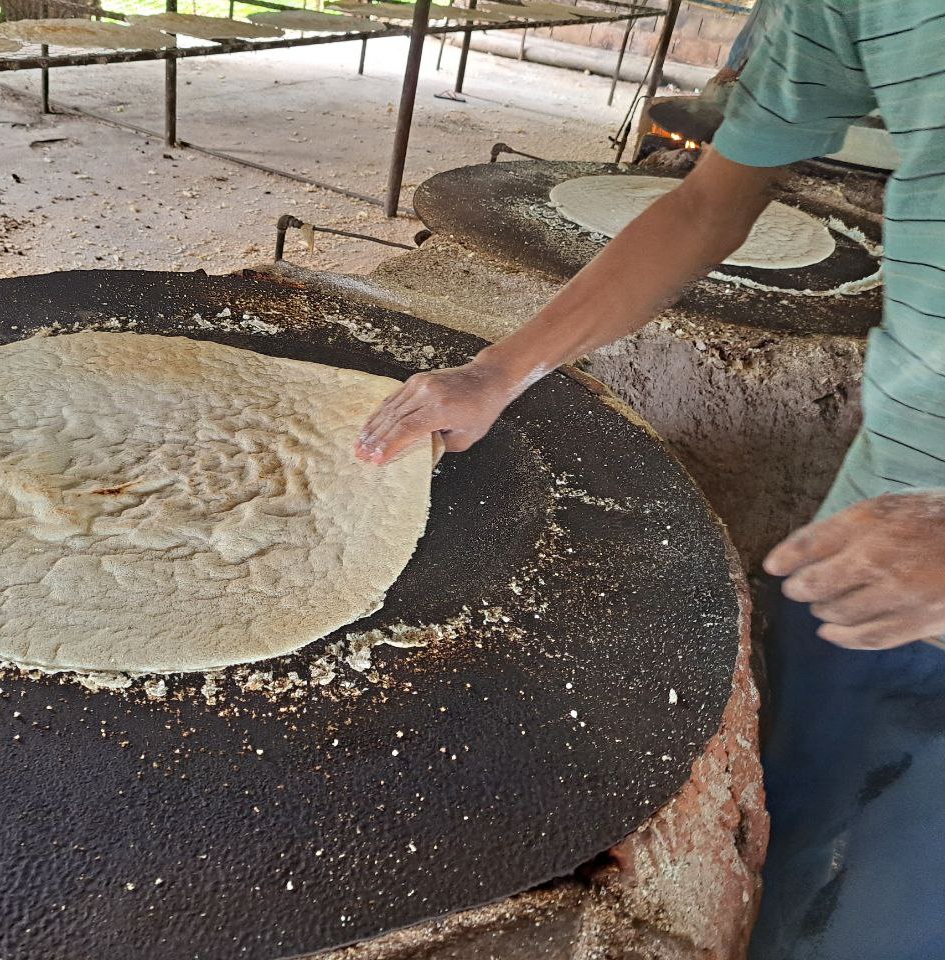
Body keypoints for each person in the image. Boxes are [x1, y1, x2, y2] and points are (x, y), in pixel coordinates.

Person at [356, 2, 945, 958]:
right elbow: (706, 205)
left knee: (897, 917)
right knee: (784, 855)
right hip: (867, 540)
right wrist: (499, 371)